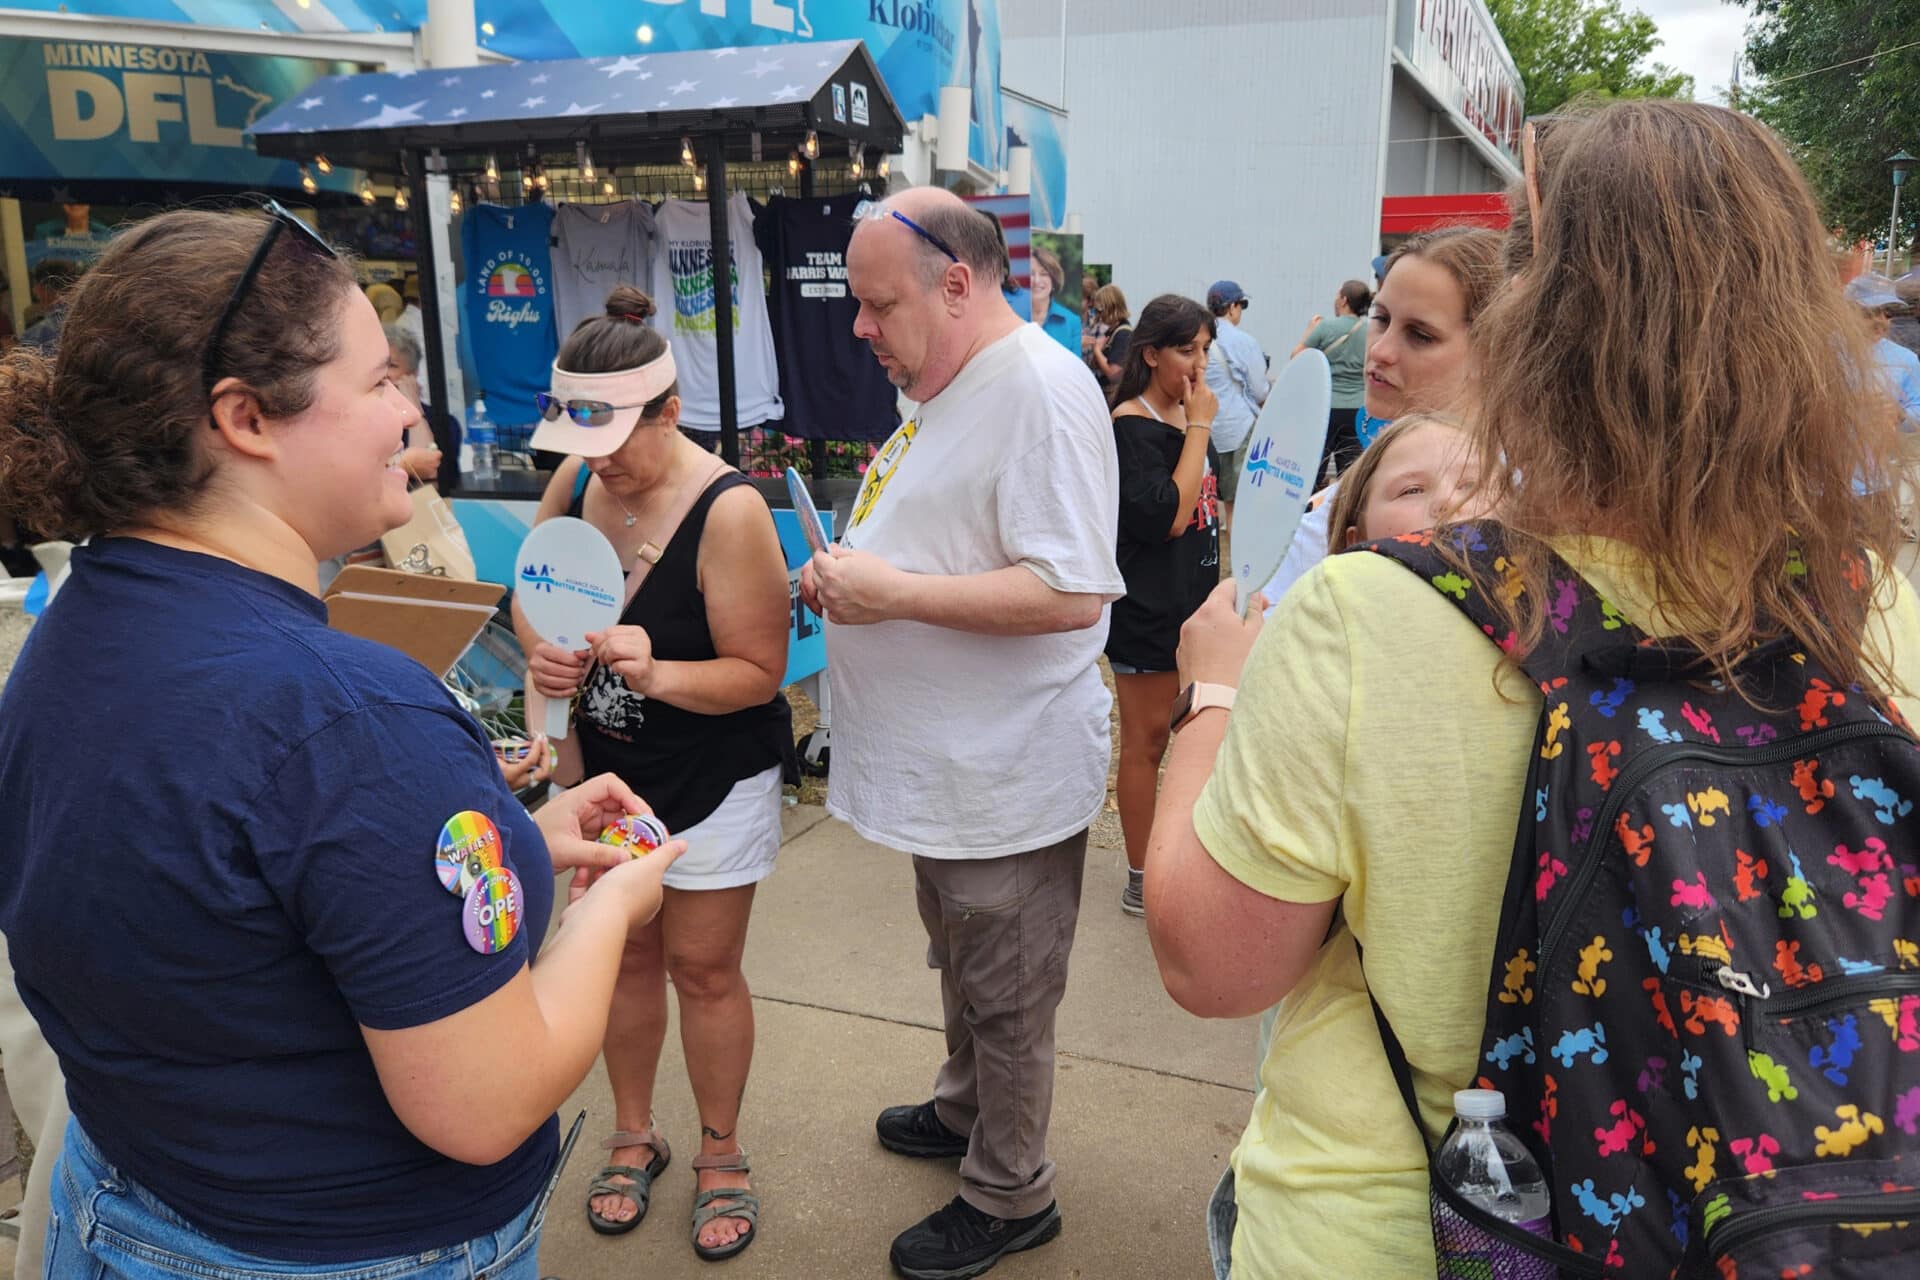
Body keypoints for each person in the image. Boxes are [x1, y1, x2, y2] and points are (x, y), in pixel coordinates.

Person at [1148, 99, 1920, 1279]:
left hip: (1403, 1224)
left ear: (1533, 325)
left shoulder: (1371, 613)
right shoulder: (1874, 605)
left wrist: (1208, 699)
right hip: (1789, 1212)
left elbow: (1214, 965)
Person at [0, 206, 682, 1280]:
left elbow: (221, 896)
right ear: (245, 418)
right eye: (376, 384)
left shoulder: (76, 629)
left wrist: (511, 835)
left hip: (135, 1194)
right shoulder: (350, 709)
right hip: (344, 1245)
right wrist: (610, 912)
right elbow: (489, 1097)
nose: (412, 417)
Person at [805, 187, 1125, 1280]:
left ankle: (1010, 1188)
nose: (859, 326)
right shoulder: (952, 384)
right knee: (967, 964)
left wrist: (887, 590)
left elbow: (1070, 589)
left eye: (875, 303)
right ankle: (963, 1111)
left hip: (1004, 771)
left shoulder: (1037, 389)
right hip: (952, 770)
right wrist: (856, 576)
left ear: (956, 283)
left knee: (1009, 987)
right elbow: (944, 535)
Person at [513, 285, 794, 1262]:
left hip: (713, 777)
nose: (597, 462)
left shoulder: (731, 509)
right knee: (624, 956)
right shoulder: (578, 483)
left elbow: (761, 676)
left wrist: (654, 664)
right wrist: (545, 658)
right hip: (608, 773)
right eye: (578, 441)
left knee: (703, 967)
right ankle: (635, 1129)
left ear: (669, 410)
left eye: (615, 438)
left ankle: (722, 1147)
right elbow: (534, 597)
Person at [1260, 227, 1504, 607]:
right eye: (1381, 318)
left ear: (1492, 352)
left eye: (1420, 335)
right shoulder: (1375, 470)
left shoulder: (1491, 506)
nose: (1381, 350)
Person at [1107, 295, 1219, 917]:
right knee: (1147, 743)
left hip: (1197, 610)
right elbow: (1171, 518)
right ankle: (1141, 875)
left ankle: (1186, 864)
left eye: (1206, 350)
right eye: (1186, 350)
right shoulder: (1130, 426)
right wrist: (1200, 426)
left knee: (1198, 745)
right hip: (1149, 614)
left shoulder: (1184, 420)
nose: (1199, 365)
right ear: (1150, 354)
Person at [1201, 280, 1268, 531]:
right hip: (1239, 425)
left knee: (1209, 491)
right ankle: (1237, 549)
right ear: (1231, 307)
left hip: (1208, 425)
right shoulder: (1244, 342)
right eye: (1242, 304)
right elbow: (1260, 388)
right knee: (1238, 498)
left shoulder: (1198, 337)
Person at [1293, 279, 1373, 480]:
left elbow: (1297, 357)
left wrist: (1309, 331)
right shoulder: (1371, 331)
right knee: (1349, 475)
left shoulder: (1325, 326)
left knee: (1313, 471)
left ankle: (1310, 508)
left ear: (1344, 300)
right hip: (1358, 410)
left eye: (1337, 295)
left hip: (1325, 409)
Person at [385, 323, 463, 491]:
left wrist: (413, 405)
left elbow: (426, 472)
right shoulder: (357, 418)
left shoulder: (445, 424)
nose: (383, 374)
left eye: (391, 366)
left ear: (412, 373)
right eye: (378, 366)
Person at [1846, 273, 1920, 431]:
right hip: (1829, 453)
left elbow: (1917, 406)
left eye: (1887, 313)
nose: (1880, 320)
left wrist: (1900, 415)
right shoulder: (1825, 353)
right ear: (1847, 312)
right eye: (1869, 313)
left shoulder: (1906, 359)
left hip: (1883, 453)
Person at [19, 259, 82, 352]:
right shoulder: (94, 324)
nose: (34, 290)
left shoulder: (36, 336)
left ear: (42, 287)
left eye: (35, 285)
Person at [1029, 246, 1083, 355]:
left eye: (1044, 274)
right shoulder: (1010, 316)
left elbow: (1075, 369)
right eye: (1031, 273)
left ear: (1053, 280)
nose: (1036, 280)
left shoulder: (1072, 322)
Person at [1086, 284, 1133, 390]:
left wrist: (1097, 350)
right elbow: (1097, 365)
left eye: (1099, 311)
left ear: (1111, 308)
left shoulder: (1123, 334)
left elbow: (1113, 375)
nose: (1098, 316)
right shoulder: (1111, 330)